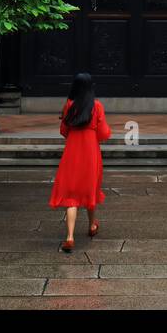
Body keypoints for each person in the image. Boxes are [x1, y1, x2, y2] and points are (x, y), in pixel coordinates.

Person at [49, 73, 112, 253]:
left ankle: (70, 236)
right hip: (90, 151)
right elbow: (103, 132)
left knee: (71, 194)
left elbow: (64, 130)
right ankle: (92, 225)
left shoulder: (69, 105)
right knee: (89, 189)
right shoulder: (97, 106)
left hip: (72, 151)